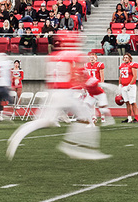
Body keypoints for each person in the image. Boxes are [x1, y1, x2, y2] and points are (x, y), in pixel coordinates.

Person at [6, 30, 106, 161]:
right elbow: (80, 75)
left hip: (54, 92)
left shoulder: (54, 56)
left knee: (46, 121)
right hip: (66, 93)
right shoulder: (74, 55)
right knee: (87, 116)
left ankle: (18, 135)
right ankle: (78, 147)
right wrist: (92, 83)